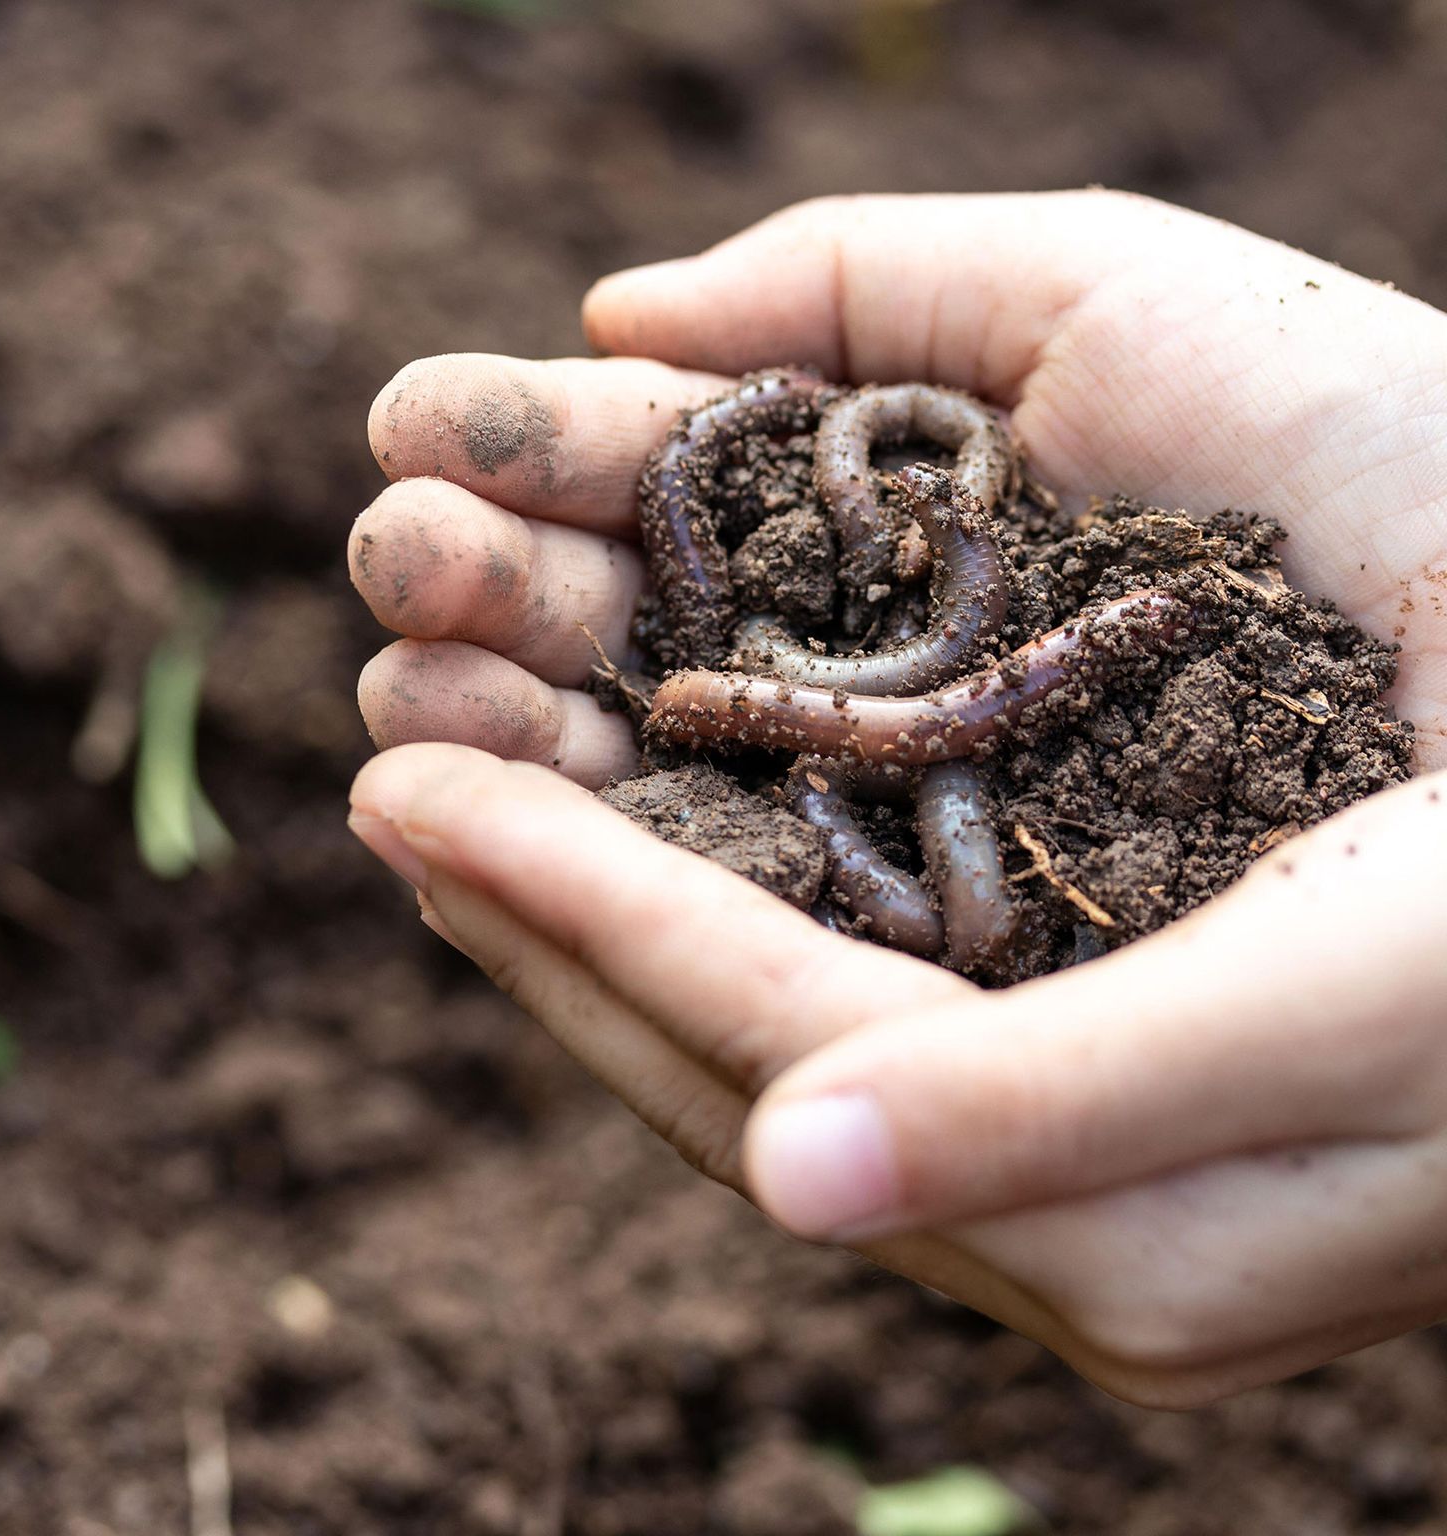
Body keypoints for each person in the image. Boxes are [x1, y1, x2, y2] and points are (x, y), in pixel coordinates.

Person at [343, 190, 1447, 1409]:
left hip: (881, 707)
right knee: (925, 743)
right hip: (836, 686)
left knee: (943, 776)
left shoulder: (983, 606)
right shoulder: (822, 606)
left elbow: (945, 725)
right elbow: (918, 710)